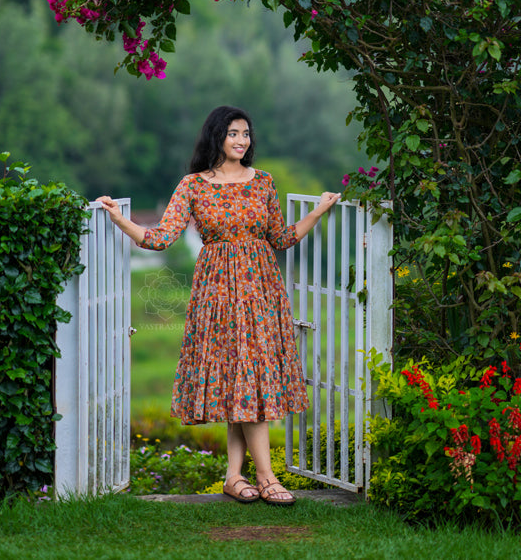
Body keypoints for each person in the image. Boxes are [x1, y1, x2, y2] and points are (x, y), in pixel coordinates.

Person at [97, 105, 340, 505]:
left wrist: (316, 211)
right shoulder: (193, 185)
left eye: (246, 134)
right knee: (239, 378)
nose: (241, 141)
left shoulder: (263, 181)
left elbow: (280, 237)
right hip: (218, 293)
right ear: (216, 136)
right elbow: (161, 238)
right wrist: (119, 219)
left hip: (261, 290)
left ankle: (233, 476)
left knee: (250, 379)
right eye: (233, 133)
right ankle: (266, 477)